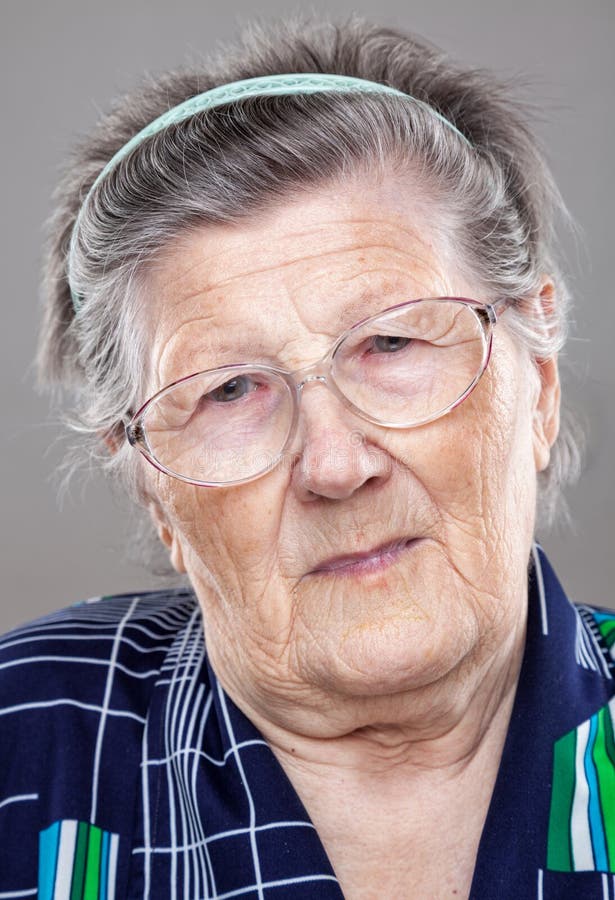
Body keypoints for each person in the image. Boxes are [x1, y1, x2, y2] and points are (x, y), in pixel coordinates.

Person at [0, 14, 611, 900]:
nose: (332, 464)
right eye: (228, 391)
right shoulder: (23, 740)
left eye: (393, 344)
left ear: (540, 387)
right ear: (152, 491)